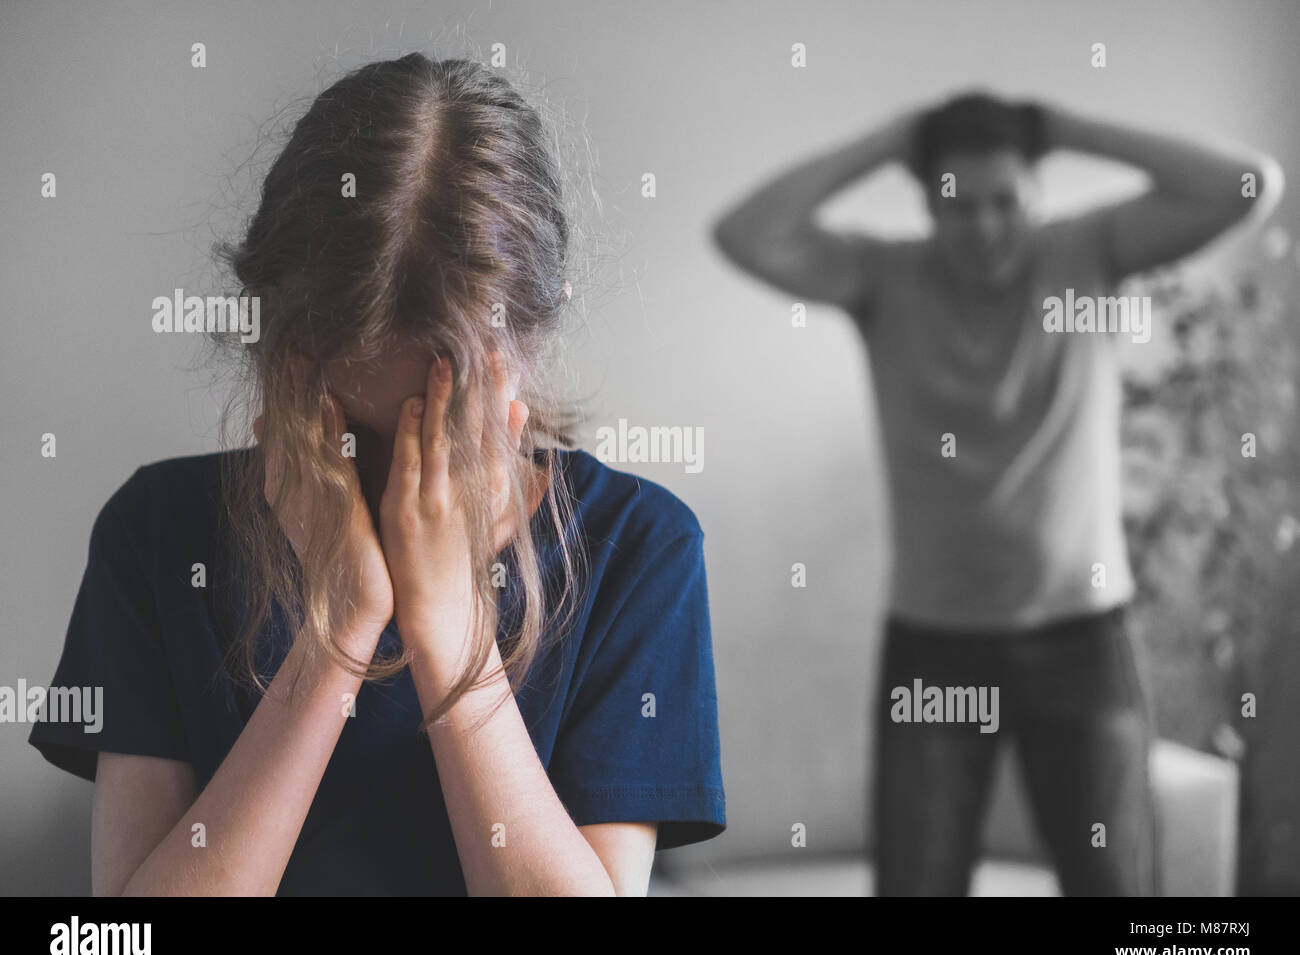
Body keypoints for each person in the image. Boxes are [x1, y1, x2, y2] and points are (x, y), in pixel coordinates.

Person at [28, 52, 725, 896]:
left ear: (523, 360)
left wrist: (448, 626)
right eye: (348, 437)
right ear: (276, 363)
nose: (392, 497)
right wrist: (340, 630)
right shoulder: (156, 530)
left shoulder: (637, 547)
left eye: (432, 439)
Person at [712, 91, 1283, 895]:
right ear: (928, 204)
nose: (983, 227)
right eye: (958, 204)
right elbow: (742, 233)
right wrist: (891, 136)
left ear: (1036, 193)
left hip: (1082, 643)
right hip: (936, 650)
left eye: (1004, 200)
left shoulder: (1088, 254)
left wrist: (1065, 126)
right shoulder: (883, 278)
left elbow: (1250, 185)